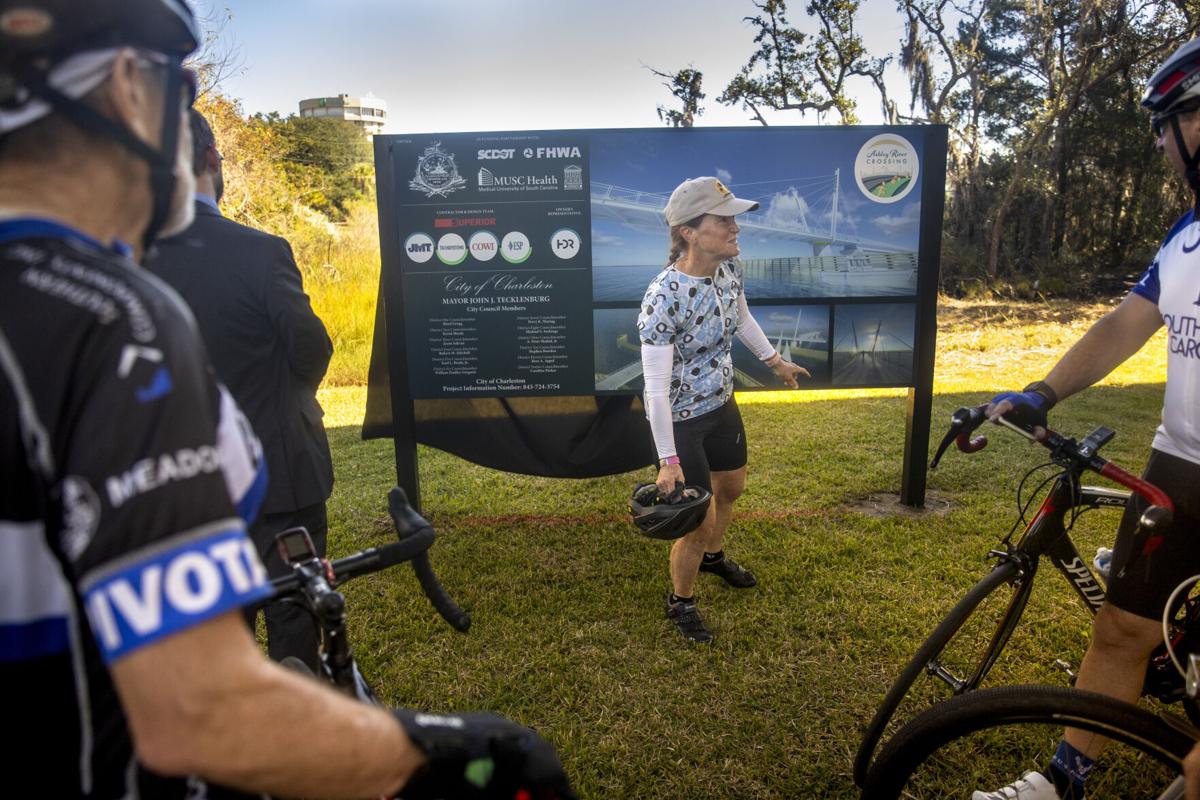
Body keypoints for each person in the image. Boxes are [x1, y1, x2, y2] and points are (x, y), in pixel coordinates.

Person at [0, 2, 574, 799]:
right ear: (129, 85)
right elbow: (198, 708)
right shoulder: (110, 316)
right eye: (182, 86)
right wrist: (452, 751)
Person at [976, 37, 1200, 800]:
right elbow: (1122, 325)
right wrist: (1044, 390)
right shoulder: (1186, 236)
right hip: (1179, 465)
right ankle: (1064, 780)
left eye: (1169, 127)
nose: (1165, 149)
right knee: (1123, 629)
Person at [147, 108, 335, 673]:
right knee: (294, 628)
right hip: (280, 476)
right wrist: (290, 396)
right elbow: (311, 347)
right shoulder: (258, 250)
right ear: (212, 160)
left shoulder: (128, 260)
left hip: (181, 489)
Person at [637, 176, 810, 643]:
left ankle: (713, 559)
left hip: (721, 403)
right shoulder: (662, 297)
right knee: (698, 520)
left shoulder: (729, 269)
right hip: (682, 421)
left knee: (731, 488)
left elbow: (742, 316)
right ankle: (681, 602)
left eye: (734, 218)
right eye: (724, 220)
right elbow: (654, 390)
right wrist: (668, 461)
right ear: (690, 232)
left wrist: (774, 361)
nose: (736, 228)